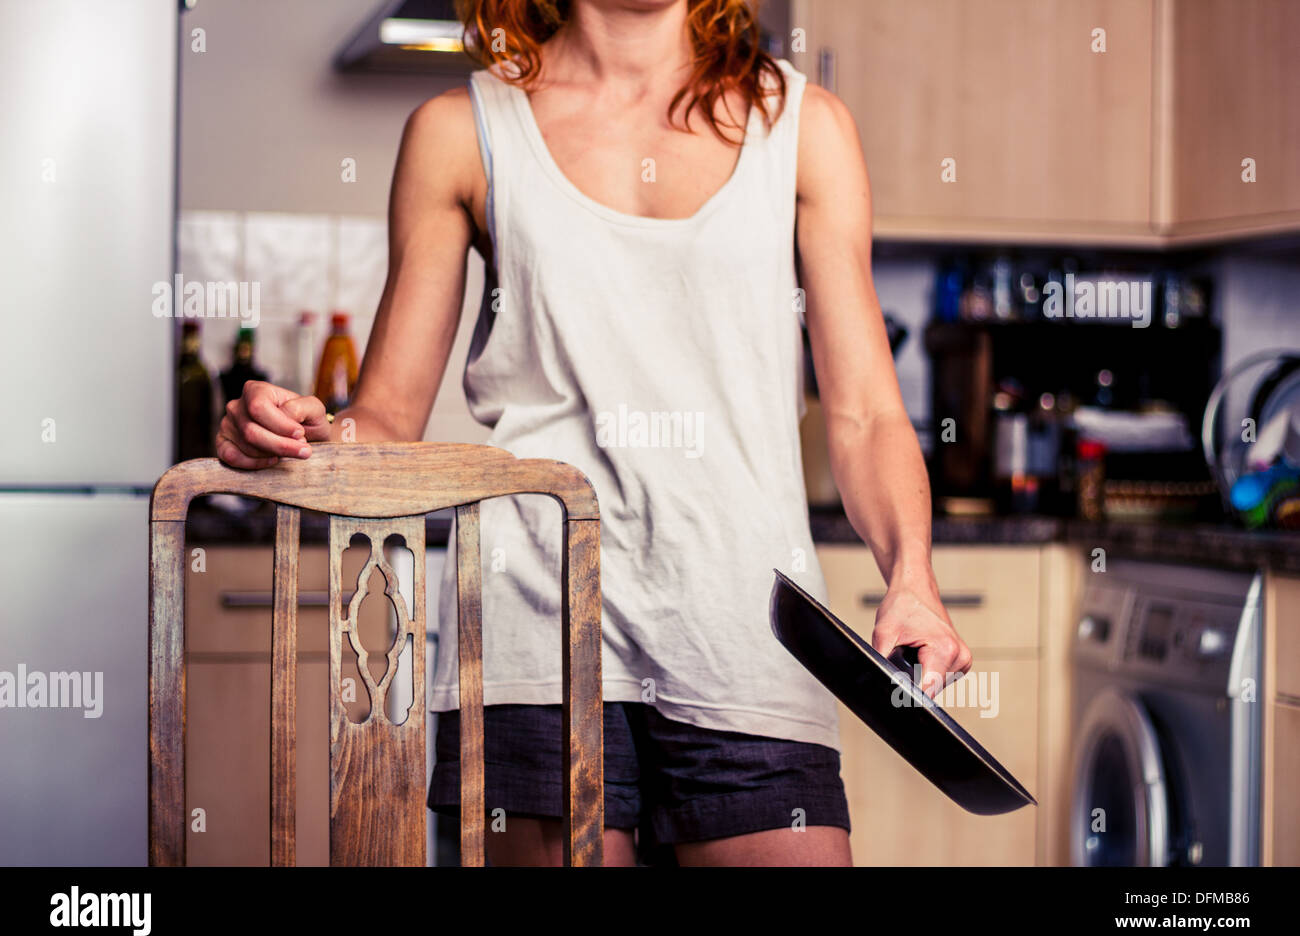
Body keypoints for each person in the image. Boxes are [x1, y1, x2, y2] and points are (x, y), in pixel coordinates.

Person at [216, 0, 972, 866]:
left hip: (746, 633)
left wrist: (910, 572)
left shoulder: (804, 128)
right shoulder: (461, 131)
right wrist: (304, 438)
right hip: (533, 637)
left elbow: (868, 411)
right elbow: (386, 420)